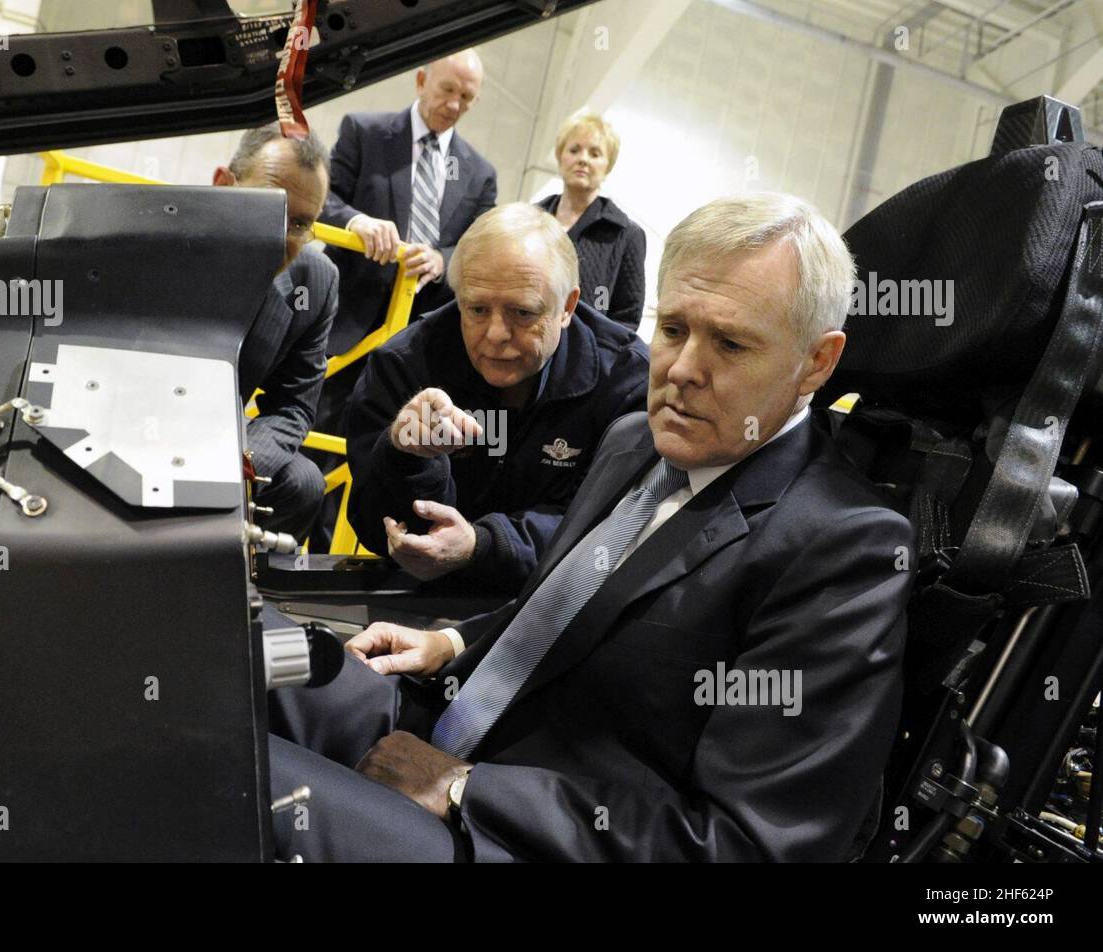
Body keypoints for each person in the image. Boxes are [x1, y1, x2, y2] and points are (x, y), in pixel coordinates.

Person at [268, 192, 917, 862]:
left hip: (522, 833)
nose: (683, 370)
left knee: (234, 774)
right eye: (673, 330)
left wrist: (467, 790)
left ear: (817, 361)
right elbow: (574, 602)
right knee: (235, 648)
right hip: (449, 718)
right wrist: (455, 644)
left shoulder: (845, 548)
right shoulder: (635, 440)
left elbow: (746, 846)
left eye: (728, 342)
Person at [343, 203, 648, 592]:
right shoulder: (405, 365)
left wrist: (483, 544)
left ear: (568, 307)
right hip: (422, 594)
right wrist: (408, 458)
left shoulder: (625, 383)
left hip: (554, 604)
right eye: (477, 309)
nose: (496, 334)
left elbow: (606, 533)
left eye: (522, 313)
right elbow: (376, 527)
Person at [319, 50, 498, 356]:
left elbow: (479, 247)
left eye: (467, 97)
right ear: (421, 81)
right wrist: (356, 221)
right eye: (448, 89)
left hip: (419, 337)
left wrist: (442, 260)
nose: (455, 104)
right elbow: (322, 199)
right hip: (344, 318)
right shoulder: (364, 132)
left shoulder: (481, 175)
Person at [212, 124, 338, 542]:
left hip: (224, 445)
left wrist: (239, 464)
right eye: (270, 209)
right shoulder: (149, 241)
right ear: (223, 185)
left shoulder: (314, 283)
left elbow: (294, 406)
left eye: (301, 224)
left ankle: (234, 597)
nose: (281, 237)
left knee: (303, 482)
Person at [535, 109, 647, 331]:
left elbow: (626, 318)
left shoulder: (627, 234)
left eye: (595, 154)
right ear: (560, 158)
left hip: (587, 357)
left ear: (608, 167)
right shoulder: (528, 221)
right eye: (574, 150)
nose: (583, 159)